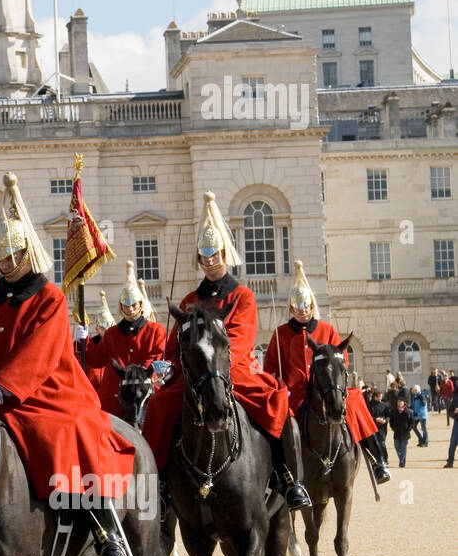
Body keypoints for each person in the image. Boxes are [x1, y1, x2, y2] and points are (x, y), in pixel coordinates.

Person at [0, 173, 136, 556]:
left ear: (25, 255)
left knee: (66, 432)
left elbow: (37, 355)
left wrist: (0, 388)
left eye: (9, 257)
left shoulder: (50, 297)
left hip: (48, 391)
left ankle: (104, 529)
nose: (3, 265)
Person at [141, 191, 311, 510]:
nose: (209, 260)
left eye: (214, 254)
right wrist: (170, 364)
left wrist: (215, 365)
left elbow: (241, 338)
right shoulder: (191, 299)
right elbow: (176, 343)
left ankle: (288, 478)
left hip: (234, 370)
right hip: (196, 374)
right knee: (159, 407)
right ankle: (159, 485)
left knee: (278, 403)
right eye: (204, 255)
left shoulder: (243, 296)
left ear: (224, 253)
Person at [264, 261, 389, 483]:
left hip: (329, 389)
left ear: (312, 306)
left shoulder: (327, 330)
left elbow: (343, 358)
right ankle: (277, 471)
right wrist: (277, 382)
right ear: (291, 309)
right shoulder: (280, 334)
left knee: (356, 403)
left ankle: (376, 459)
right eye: (297, 307)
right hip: (295, 393)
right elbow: (271, 366)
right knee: (276, 419)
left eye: (306, 307)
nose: (302, 311)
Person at [76, 261, 167, 418]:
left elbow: (153, 362)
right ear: (121, 306)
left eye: (133, 305)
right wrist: (85, 342)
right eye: (126, 305)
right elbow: (97, 360)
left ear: (140, 305)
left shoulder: (156, 331)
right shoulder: (111, 334)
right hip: (114, 400)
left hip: (143, 398)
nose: (130, 309)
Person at [368, 389, 390, 467]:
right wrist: (375, 419)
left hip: (382, 429)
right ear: (375, 397)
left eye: (381, 397)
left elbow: (388, 415)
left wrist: (385, 420)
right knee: (373, 446)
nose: (381, 398)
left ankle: (385, 460)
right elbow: (367, 416)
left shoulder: (384, 405)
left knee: (382, 444)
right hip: (372, 429)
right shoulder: (369, 405)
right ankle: (376, 461)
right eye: (379, 397)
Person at [390, 397, 413, 468]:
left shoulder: (409, 412)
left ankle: (402, 463)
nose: (399, 403)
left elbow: (412, 422)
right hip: (397, 432)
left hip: (405, 433)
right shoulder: (394, 411)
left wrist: (408, 429)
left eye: (401, 402)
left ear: (404, 403)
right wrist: (393, 427)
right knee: (397, 447)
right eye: (398, 402)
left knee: (403, 448)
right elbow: (391, 421)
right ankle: (402, 459)